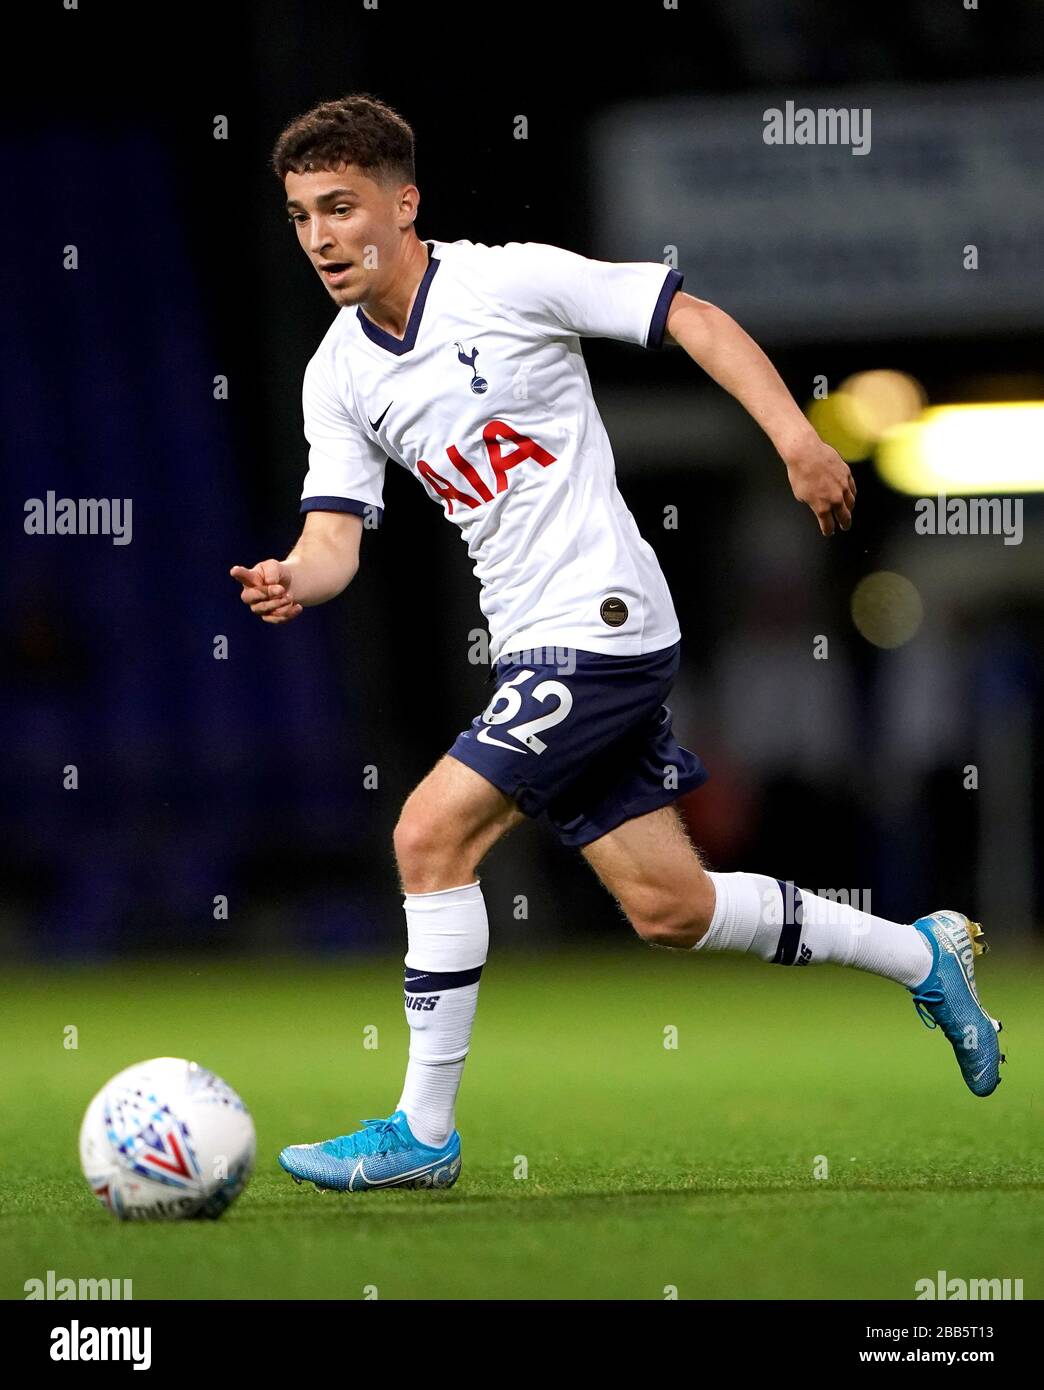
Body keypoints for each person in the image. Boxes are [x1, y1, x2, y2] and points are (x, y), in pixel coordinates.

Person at [230, 94, 1003, 1194]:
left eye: (341, 208)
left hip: (600, 624)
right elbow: (334, 542)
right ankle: (921, 952)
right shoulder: (337, 371)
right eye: (302, 214)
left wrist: (795, 438)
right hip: (535, 646)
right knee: (670, 908)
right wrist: (290, 579)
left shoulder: (508, 281)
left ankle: (423, 1130)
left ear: (405, 206)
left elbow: (688, 315)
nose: (319, 237)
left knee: (427, 834)